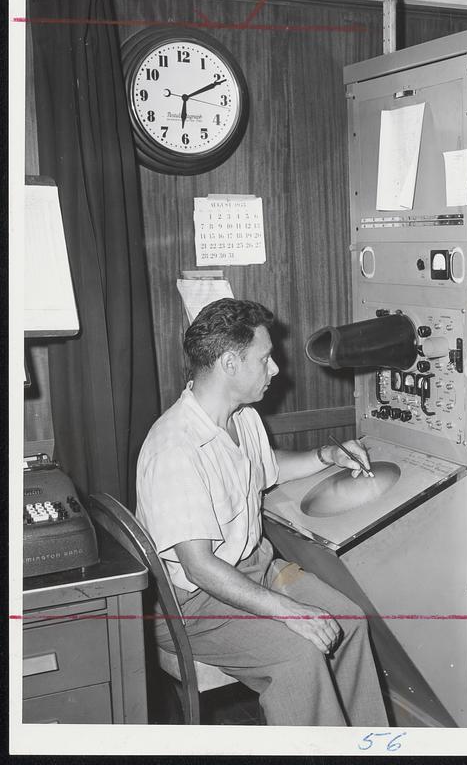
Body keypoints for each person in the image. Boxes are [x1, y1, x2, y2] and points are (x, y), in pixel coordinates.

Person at [136, 297, 388, 726]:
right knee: (299, 655)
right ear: (230, 364)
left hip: (254, 569)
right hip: (193, 603)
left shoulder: (243, 417)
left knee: (348, 622)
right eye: (265, 358)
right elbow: (199, 568)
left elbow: (265, 467)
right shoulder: (175, 449)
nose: (275, 369)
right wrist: (290, 611)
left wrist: (326, 455)